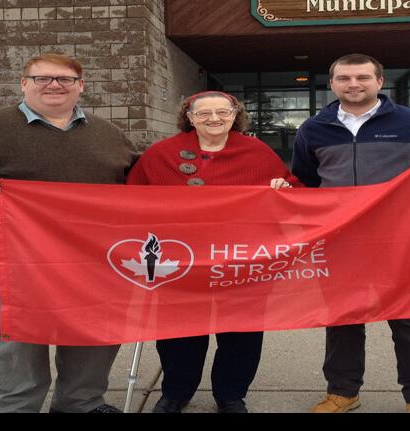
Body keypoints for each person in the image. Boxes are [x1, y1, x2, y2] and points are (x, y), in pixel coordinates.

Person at [0, 53, 137, 413]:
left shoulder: (107, 133)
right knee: (19, 336)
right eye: (42, 78)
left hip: (88, 253)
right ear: (24, 84)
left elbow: (138, 178)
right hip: (10, 250)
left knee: (93, 327)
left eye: (64, 79)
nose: (54, 85)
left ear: (80, 86)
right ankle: (15, 406)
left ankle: (80, 403)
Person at [292, 53, 410, 414]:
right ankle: (343, 391)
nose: (353, 84)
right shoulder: (313, 129)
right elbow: (306, 181)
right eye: (344, 78)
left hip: (399, 239)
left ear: (379, 81)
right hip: (340, 238)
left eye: (362, 77)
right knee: (343, 319)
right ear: (332, 84)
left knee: (408, 318)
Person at [127, 91, 301, 413]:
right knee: (179, 332)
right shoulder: (161, 154)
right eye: (203, 113)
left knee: (241, 333)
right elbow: (132, 198)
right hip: (181, 261)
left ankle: (230, 394)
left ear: (235, 115)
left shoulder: (258, 153)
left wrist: (284, 188)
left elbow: (293, 191)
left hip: (241, 260)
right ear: (189, 117)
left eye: (222, 112)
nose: (214, 119)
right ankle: (176, 392)